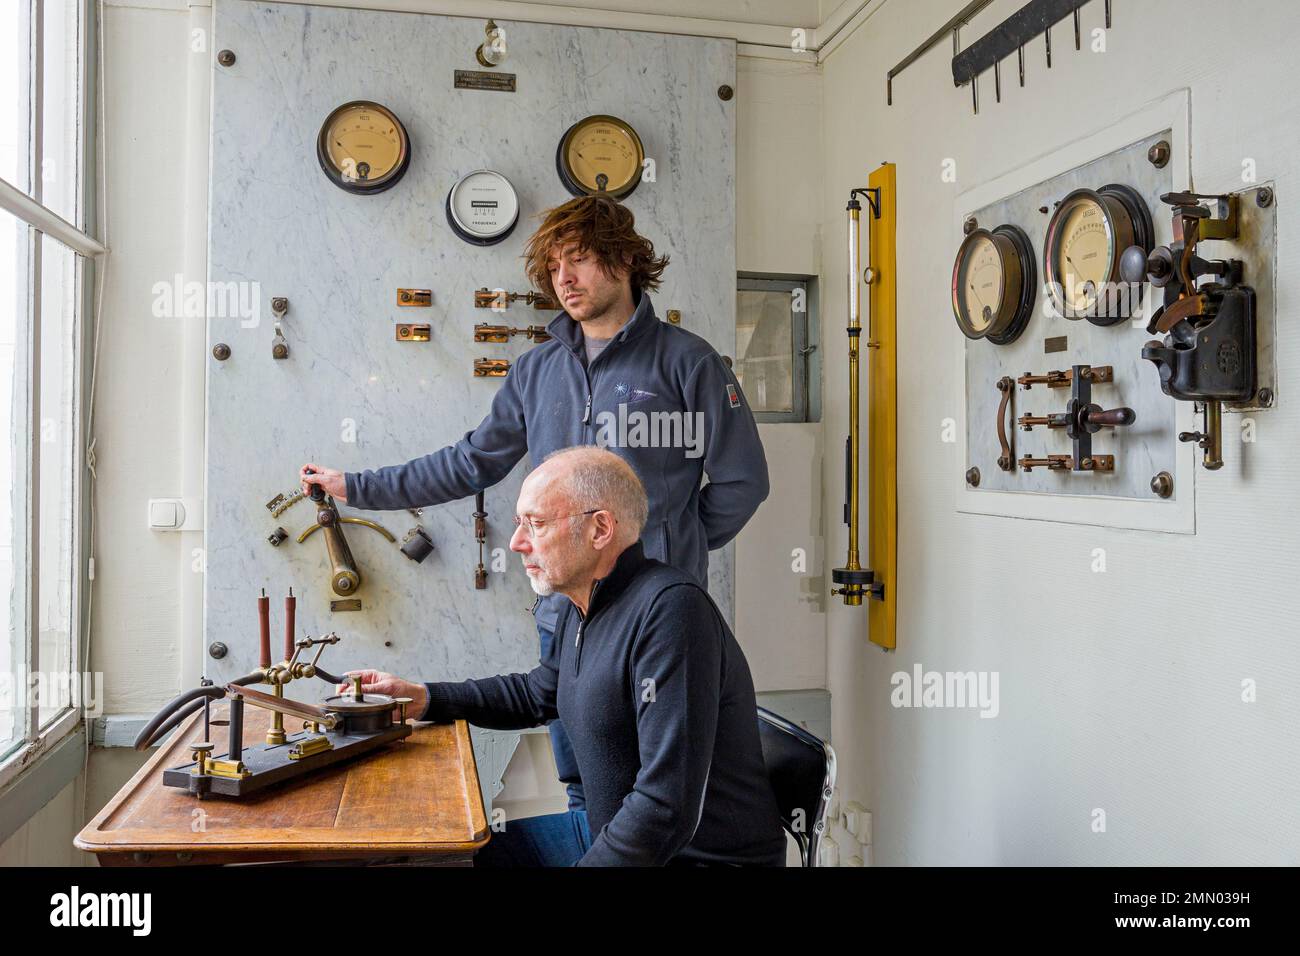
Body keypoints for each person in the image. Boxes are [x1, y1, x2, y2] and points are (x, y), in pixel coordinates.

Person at [300, 195, 769, 815]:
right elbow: (471, 461)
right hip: (564, 615)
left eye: (579, 260)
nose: (563, 279)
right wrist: (358, 486)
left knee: (662, 787)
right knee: (584, 784)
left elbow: (742, 481)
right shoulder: (536, 370)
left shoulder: (689, 361)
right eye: (553, 268)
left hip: (656, 619)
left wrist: (668, 546)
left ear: (625, 260)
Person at [344, 447, 785, 866]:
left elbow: (664, 810)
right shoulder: (584, 604)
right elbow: (537, 693)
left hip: (692, 858)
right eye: (519, 524)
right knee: (439, 857)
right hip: (603, 830)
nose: (516, 542)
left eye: (536, 524)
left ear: (600, 529)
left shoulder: (671, 611)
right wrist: (424, 698)